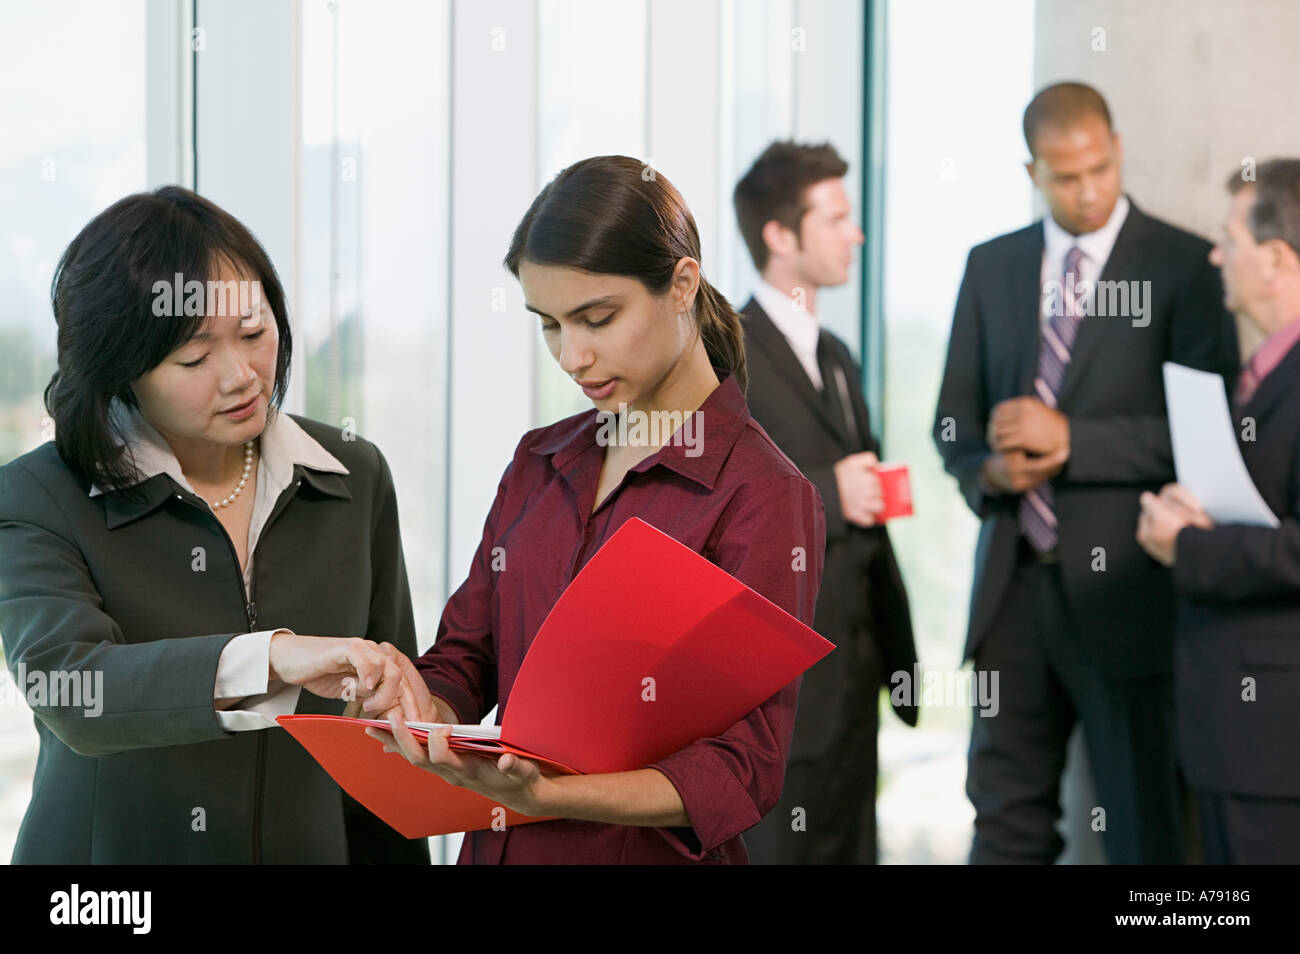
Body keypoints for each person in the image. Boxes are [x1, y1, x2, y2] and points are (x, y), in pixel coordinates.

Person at [364, 155, 827, 864]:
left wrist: (552, 797)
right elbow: (468, 656)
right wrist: (420, 708)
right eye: (548, 324)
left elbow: (743, 765)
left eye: (597, 318)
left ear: (681, 285)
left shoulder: (763, 496)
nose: (571, 355)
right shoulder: (539, 462)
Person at [0, 186, 426, 864]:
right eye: (194, 359)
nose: (242, 377)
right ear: (121, 370)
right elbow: (74, 690)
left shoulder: (354, 476)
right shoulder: (38, 495)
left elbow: (384, 729)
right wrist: (274, 657)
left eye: (255, 334)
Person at [932, 82, 1239, 864]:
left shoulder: (1184, 265)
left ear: (1118, 148)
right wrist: (990, 470)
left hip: (1132, 594)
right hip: (1012, 594)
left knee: (1146, 830)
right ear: (1031, 171)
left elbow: (1212, 439)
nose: (1089, 189)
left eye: (1100, 167)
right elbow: (952, 430)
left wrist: (1073, 440)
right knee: (1005, 828)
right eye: (1066, 176)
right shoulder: (990, 265)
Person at [730, 140, 918, 864]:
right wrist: (829, 493)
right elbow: (715, 496)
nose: (855, 234)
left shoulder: (838, 352)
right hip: (783, 683)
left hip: (854, 671)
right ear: (781, 236)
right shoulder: (729, 352)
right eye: (837, 218)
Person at [1136, 159, 1300, 864]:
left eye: (1229, 237)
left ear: (1274, 260)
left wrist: (1188, 545)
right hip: (1240, 737)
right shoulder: (1260, 373)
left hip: (1275, 745)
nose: (1215, 254)